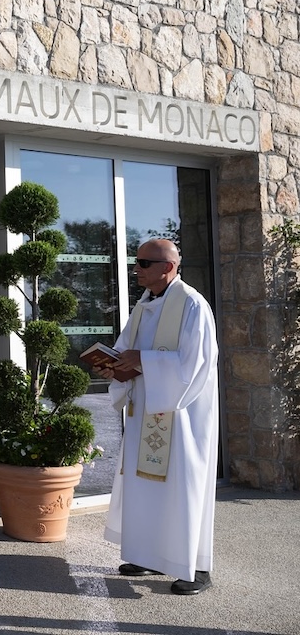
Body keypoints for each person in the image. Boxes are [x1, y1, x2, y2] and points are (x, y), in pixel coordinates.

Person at [96, 238, 219, 596]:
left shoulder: (193, 306)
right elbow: (126, 348)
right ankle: (149, 554)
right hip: (144, 412)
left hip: (180, 417)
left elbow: (194, 366)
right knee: (146, 486)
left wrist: (142, 361)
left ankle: (196, 567)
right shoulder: (144, 306)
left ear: (168, 267)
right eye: (137, 262)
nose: (137, 269)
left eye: (144, 263)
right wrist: (113, 365)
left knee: (183, 487)